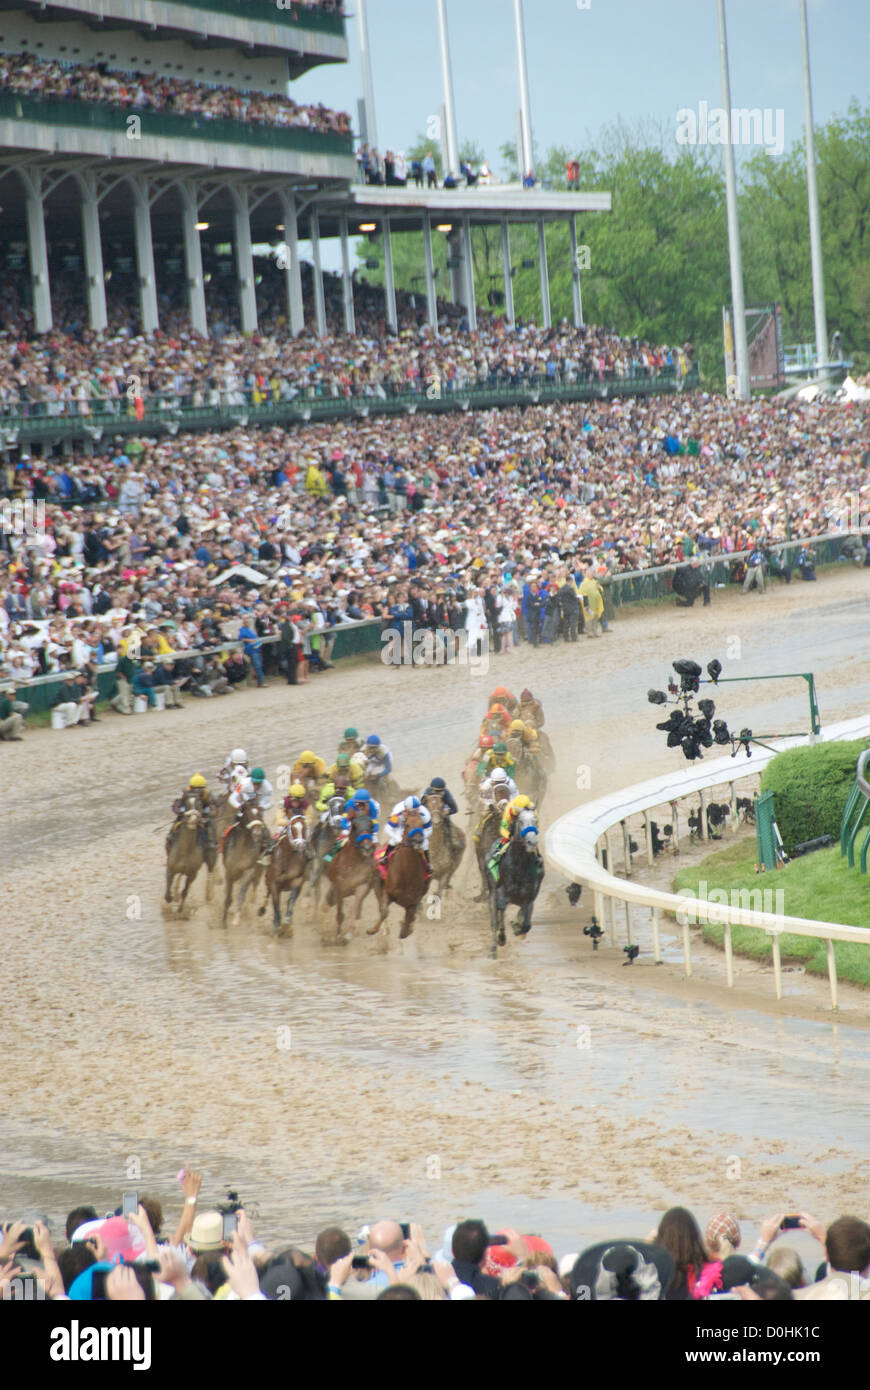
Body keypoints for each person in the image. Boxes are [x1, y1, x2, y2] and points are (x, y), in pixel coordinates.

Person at [168, 774, 217, 857]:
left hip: (202, 815)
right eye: (195, 789)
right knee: (176, 823)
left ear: (204, 788)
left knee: (211, 824)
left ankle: (211, 842)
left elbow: (214, 806)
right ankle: (171, 837)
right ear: (190, 787)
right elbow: (175, 805)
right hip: (186, 814)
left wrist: (210, 814)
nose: (197, 791)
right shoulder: (184, 792)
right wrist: (180, 812)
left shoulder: (207, 793)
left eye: (200, 789)